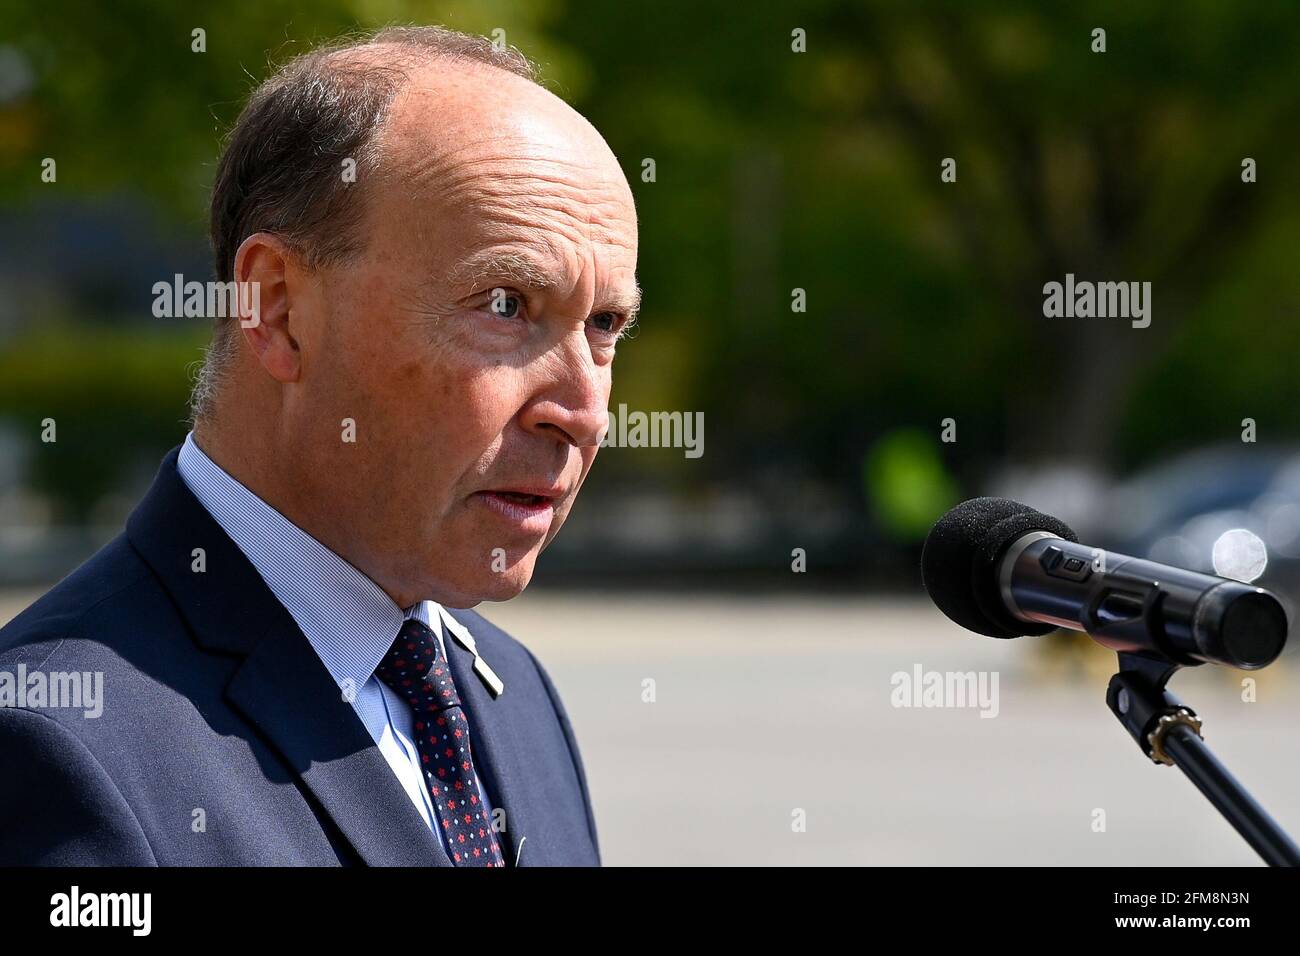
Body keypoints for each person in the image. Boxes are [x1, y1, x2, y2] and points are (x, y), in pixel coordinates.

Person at [0, 24, 640, 866]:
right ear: (277, 308)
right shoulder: (55, 745)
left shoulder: (513, 696)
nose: (584, 410)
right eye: (505, 305)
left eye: (603, 324)